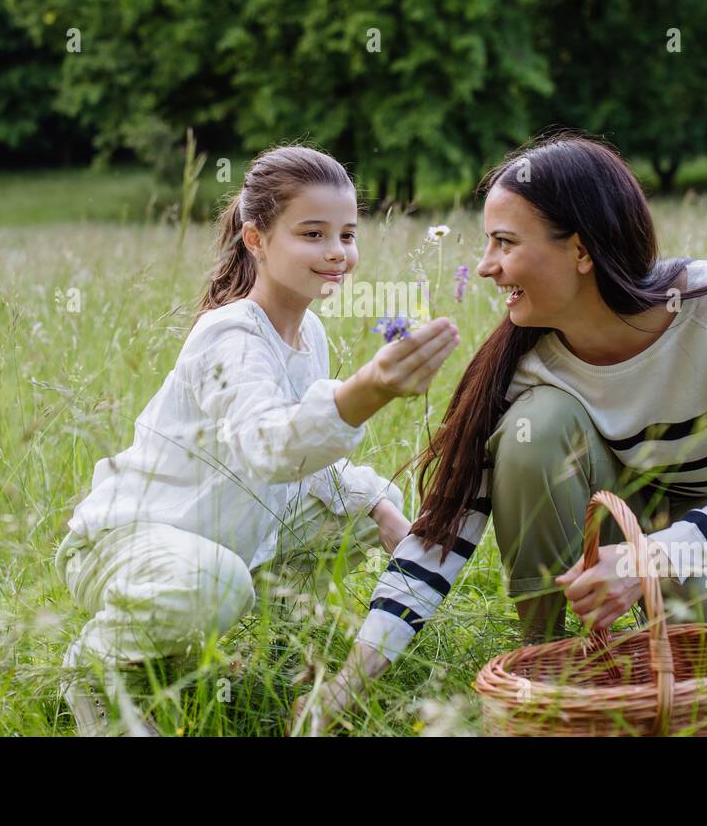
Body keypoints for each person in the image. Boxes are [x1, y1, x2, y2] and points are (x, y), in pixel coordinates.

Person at [296, 134, 707, 731]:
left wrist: (649, 559)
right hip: (620, 514)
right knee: (533, 429)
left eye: (504, 243)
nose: (487, 265)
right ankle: (547, 659)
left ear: (581, 251)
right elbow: (442, 534)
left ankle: (668, 638)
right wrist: (347, 682)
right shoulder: (524, 359)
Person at [55, 144, 459, 734]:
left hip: (213, 540)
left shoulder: (308, 333)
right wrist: (366, 389)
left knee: (368, 512)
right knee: (217, 582)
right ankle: (93, 666)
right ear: (256, 240)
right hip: (125, 545)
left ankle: (255, 641)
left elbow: (307, 461)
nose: (336, 253)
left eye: (347, 235)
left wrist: (378, 505)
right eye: (312, 234)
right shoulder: (230, 334)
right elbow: (269, 447)